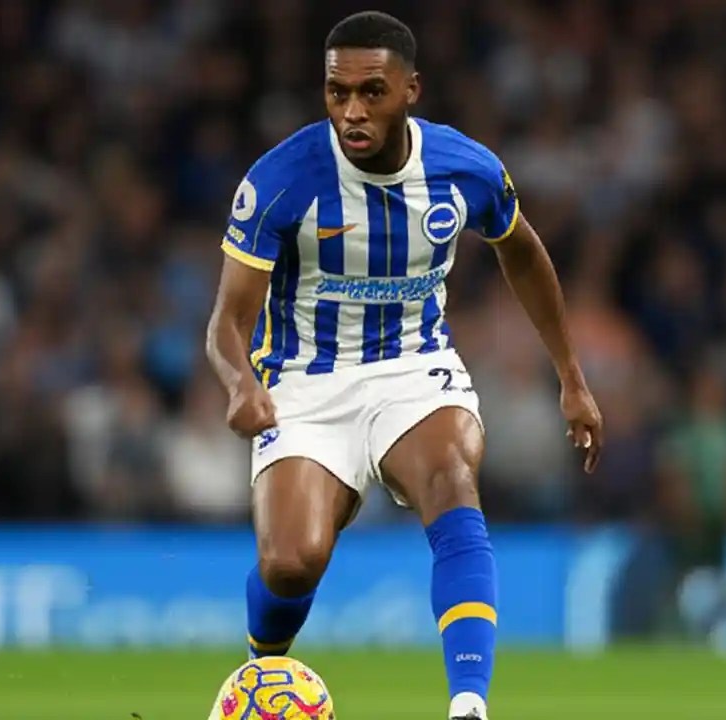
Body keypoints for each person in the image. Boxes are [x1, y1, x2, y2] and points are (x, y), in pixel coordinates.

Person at [204, 11, 603, 720]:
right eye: (336, 93)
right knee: (291, 563)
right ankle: (261, 677)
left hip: (412, 369)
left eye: (371, 92)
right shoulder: (281, 181)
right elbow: (227, 321)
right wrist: (241, 384)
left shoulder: (463, 169)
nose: (352, 111)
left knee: (452, 479)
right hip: (303, 381)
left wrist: (570, 376)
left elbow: (523, 253)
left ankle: (469, 708)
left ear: (410, 90)